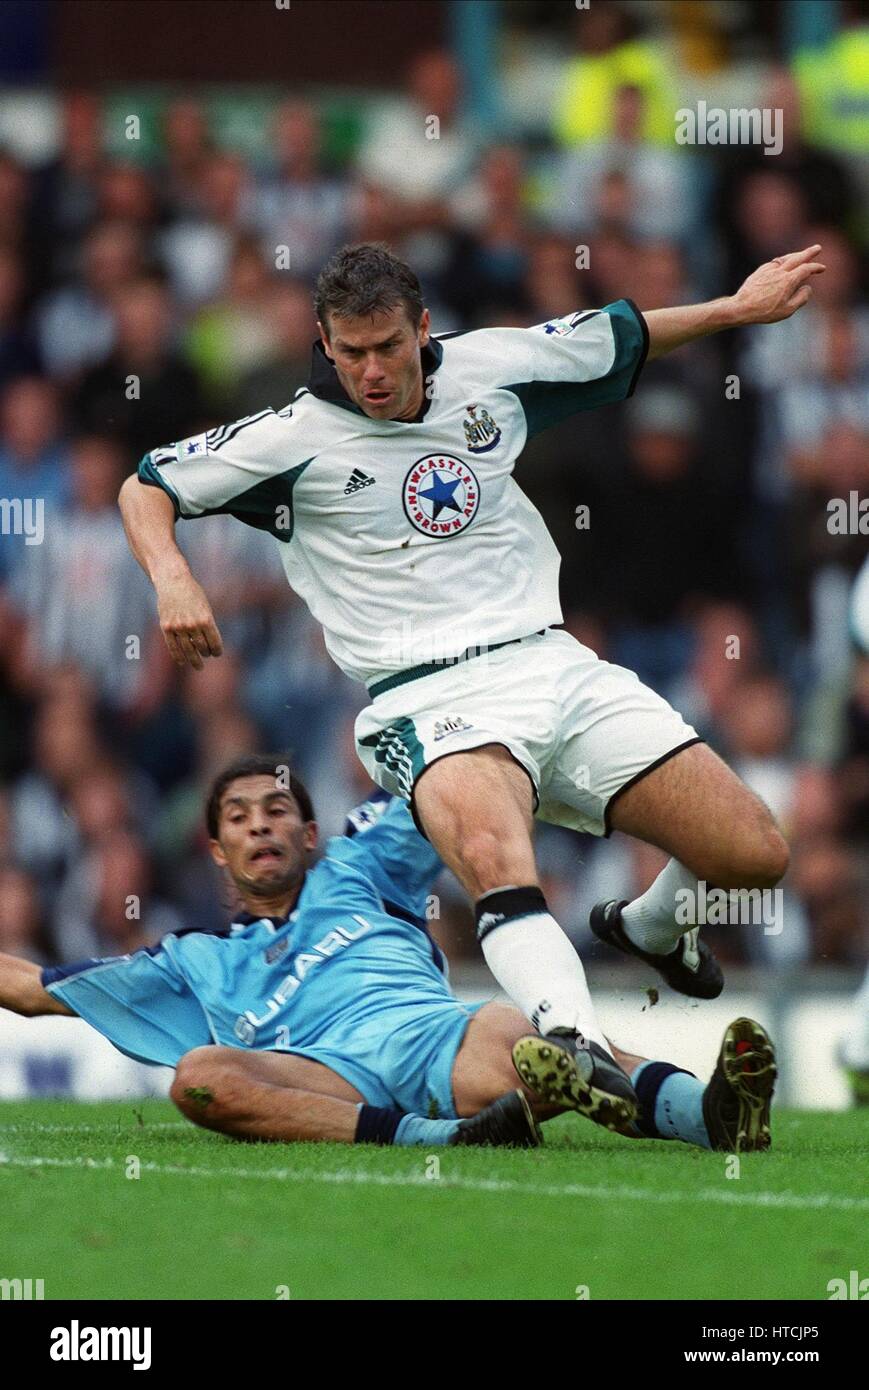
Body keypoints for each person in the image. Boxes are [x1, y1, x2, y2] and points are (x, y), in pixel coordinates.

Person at [117, 239, 822, 1123]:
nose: (372, 372)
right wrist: (175, 580)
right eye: (350, 352)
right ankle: (573, 1042)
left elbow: (619, 335)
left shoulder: (491, 365)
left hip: (551, 662)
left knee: (753, 851)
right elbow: (146, 486)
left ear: (421, 329)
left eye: (388, 348)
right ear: (325, 345)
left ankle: (646, 925)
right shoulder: (289, 437)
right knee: (496, 858)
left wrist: (732, 308)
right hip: (427, 696)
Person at [0, 755, 776, 1152]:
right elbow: (32, 987)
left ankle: (708, 1116)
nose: (260, 826)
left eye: (277, 811)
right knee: (201, 1079)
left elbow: (449, 776)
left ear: (310, 834)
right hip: (326, 1080)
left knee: (533, 1040)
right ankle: (438, 1140)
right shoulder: (189, 959)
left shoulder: (358, 863)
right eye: (238, 818)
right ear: (215, 849)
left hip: (434, 1042)